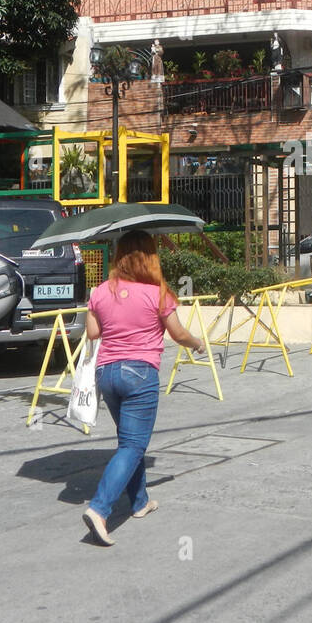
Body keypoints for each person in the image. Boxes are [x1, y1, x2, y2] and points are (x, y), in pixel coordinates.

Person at [81, 230, 205, 547]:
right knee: (134, 446)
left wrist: (91, 307)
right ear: (150, 257)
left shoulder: (100, 292)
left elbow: (93, 333)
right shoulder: (158, 294)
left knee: (128, 442)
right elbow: (177, 334)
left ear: (120, 256)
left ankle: (139, 503)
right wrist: (197, 343)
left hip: (107, 373)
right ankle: (99, 508)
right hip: (139, 373)